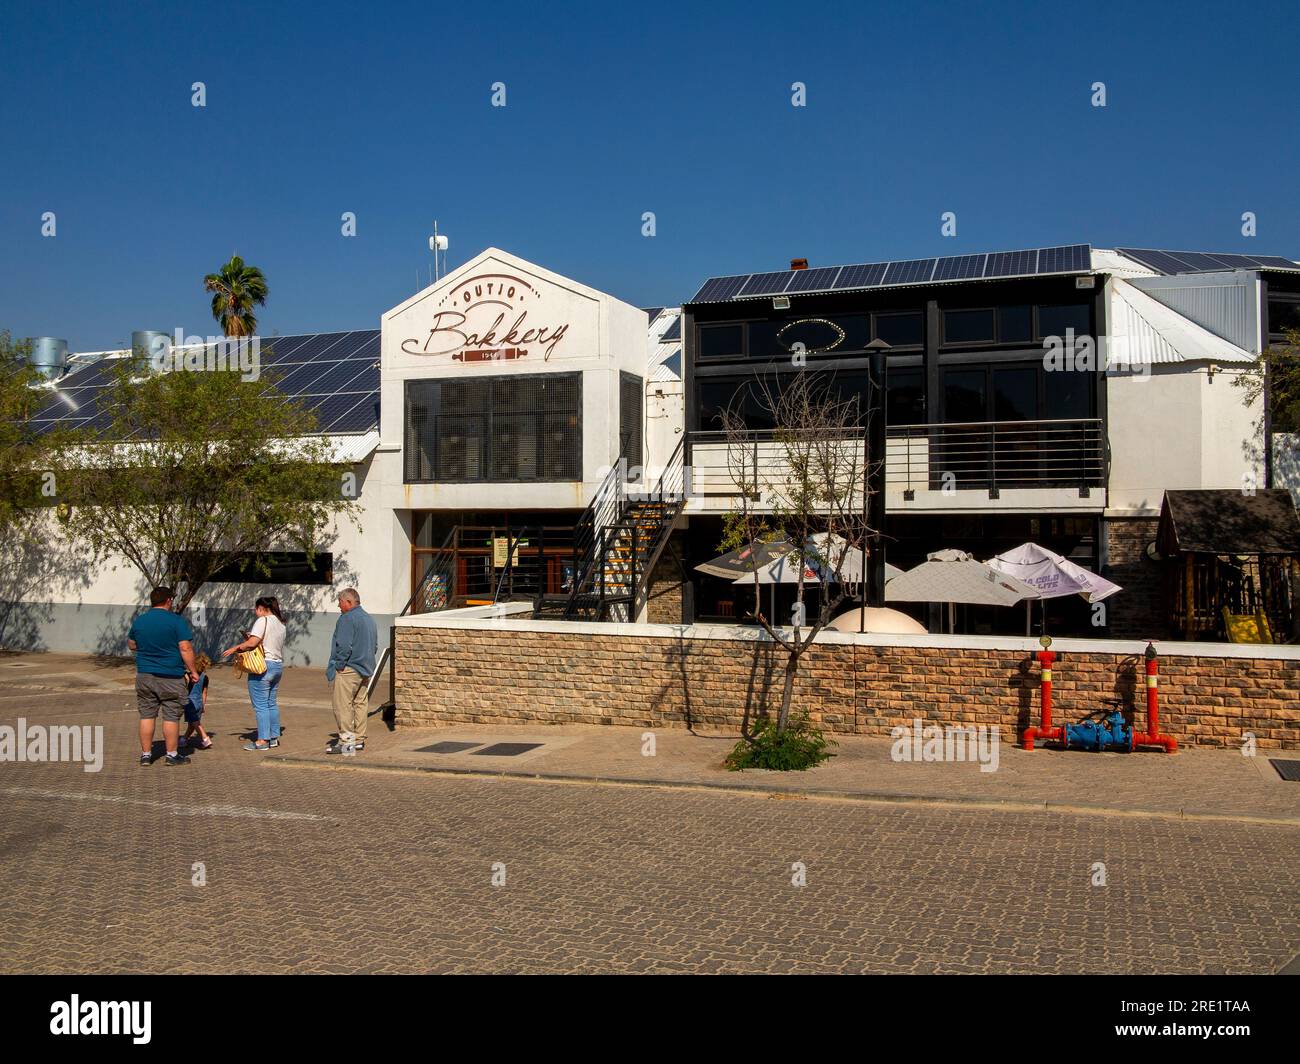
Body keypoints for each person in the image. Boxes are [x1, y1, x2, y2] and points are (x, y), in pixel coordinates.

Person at [127, 586, 199, 767]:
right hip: (171, 676)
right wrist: (193, 671)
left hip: (144, 675)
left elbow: (132, 644)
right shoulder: (176, 621)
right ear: (168, 601)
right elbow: (185, 648)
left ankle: (145, 754)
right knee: (171, 715)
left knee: (147, 715)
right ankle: (172, 755)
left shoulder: (140, 621)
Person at [221, 596, 287, 751]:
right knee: (271, 702)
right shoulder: (280, 624)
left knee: (261, 705)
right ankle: (273, 737)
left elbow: (252, 643)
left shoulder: (262, 621)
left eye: (256, 609)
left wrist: (235, 648)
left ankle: (262, 741)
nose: (255, 612)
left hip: (263, 666)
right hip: (277, 665)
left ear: (261, 608)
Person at [325, 587, 377, 754]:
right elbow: (374, 645)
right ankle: (359, 739)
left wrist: (340, 665)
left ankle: (346, 743)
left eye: (340, 602)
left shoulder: (347, 618)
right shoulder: (369, 619)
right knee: (360, 703)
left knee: (342, 706)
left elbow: (344, 646)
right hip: (366, 668)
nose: (339, 606)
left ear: (348, 602)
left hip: (350, 668)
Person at [180, 653, 213, 750]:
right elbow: (204, 692)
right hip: (199, 702)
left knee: (195, 722)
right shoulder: (205, 677)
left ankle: (205, 738)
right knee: (192, 723)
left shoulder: (188, 675)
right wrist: (203, 705)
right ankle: (184, 740)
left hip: (190, 701)